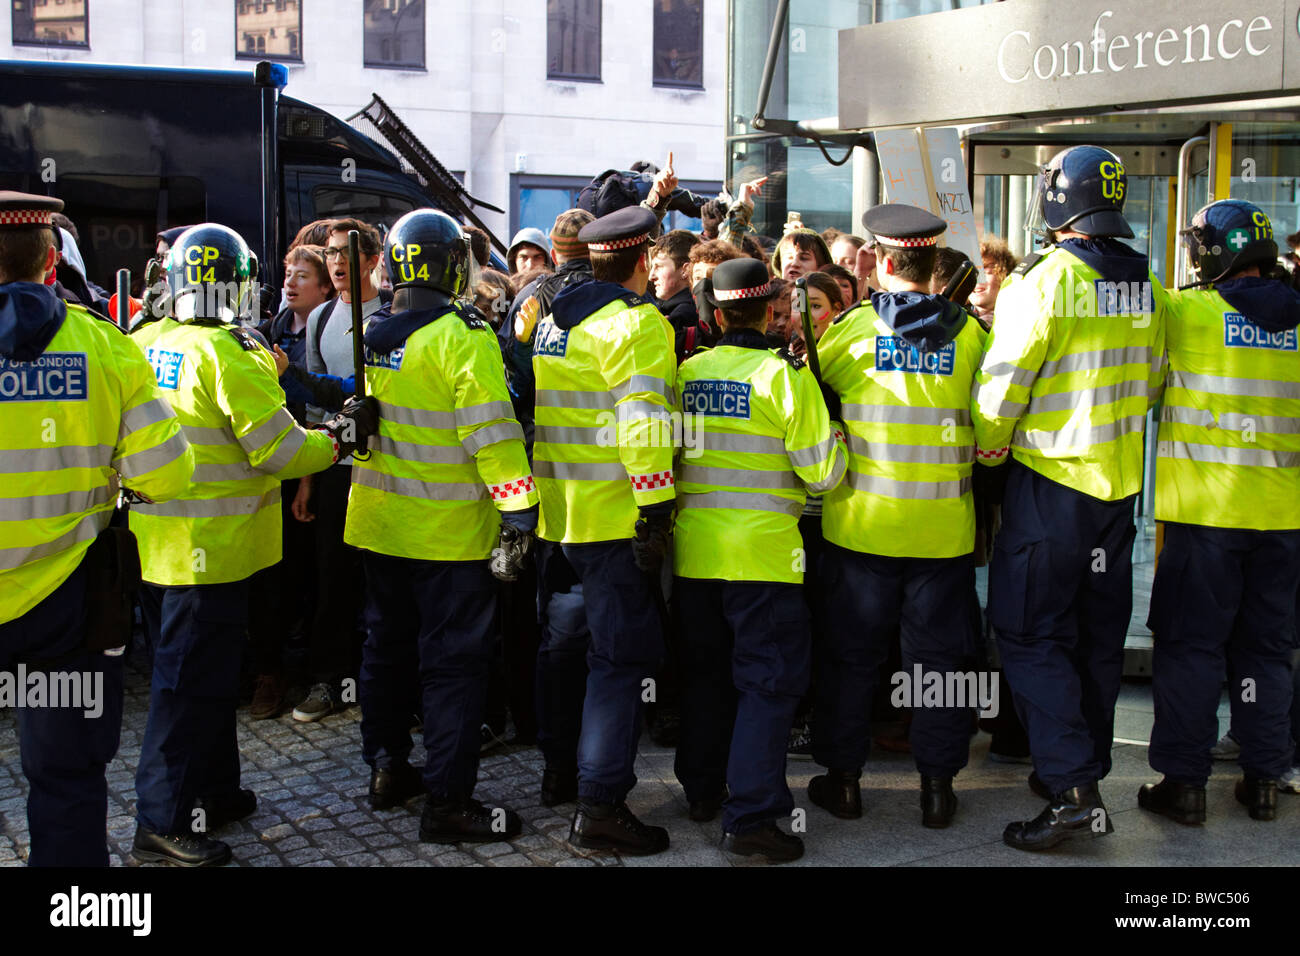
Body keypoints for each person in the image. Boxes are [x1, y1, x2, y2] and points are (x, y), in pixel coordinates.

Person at [128, 223, 376, 866]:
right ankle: (161, 822)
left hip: (158, 542)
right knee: (185, 687)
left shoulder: (146, 341)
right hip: (217, 545)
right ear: (237, 285)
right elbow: (279, 447)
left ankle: (214, 790)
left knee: (204, 678)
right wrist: (340, 438)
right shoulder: (231, 353)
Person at [973, 145, 1168, 851]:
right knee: (1095, 639)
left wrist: (989, 458)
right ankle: (1082, 768)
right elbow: (1150, 382)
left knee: (1028, 633)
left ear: (1054, 201)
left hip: (1051, 488)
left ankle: (1073, 791)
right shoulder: (1145, 281)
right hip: (1116, 496)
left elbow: (1001, 390)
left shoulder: (1045, 280)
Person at [0, 192, 194, 867]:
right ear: (51, 260)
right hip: (66, 613)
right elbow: (169, 475)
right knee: (66, 779)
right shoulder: (104, 346)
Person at [344, 208, 537, 842]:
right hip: (449, 538)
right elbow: (494, 437)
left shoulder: (371, 332)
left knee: (385, 653)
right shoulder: (463, 335)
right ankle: (449, 803)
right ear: (457, 267)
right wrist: (519, 514)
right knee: (453, 668)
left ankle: (387, 769)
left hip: (379, 528)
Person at [810, 204, 987, 829]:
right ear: (935, 265)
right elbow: (990, 425)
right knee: (941, 667)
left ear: (883, 262)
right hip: (943, 533)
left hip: (862, 529)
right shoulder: (969, 335)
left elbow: (814, 395)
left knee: (852, 659)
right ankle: (937, 789)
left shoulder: (854, 332)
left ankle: (845, 783)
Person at [673, 257, 846, 862]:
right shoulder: (785, 377)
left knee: (705, 679)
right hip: (766, 562)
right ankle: (751, 817)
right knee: (767, 687)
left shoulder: (686, 372)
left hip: (694, 554)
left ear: (715, 314)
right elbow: (822, 474)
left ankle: (701, 790)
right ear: (771, 309)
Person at [1140, 199, 1300, 825]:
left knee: (1191, 649)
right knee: (1266, 650)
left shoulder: (1189, 313)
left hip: (1204, 518)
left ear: (1212, 253)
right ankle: (1263, 778)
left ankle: (1184, 784)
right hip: (1284, 521)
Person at [531, 205, 677, 855]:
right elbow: (642, 423)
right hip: (616, 517)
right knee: (618, 664)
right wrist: (656, 512)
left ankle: (560, 771)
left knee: (565, 655)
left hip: (562, 515)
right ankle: (600, 808)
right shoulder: (636, 324)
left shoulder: (552, 324)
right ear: (645, 260)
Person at [290, 218, 389, 724]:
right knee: (331, 577)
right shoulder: (321, 317)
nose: (335, 262)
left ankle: (385, 683)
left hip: (383, 467)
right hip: (334, 464)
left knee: (381, 579)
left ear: (372, 259)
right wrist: (308, 475)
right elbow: (312, 408)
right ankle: (331, 679)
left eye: (346, 254)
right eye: (329, 254)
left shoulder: (392, 316)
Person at [246, 244, 335, 720]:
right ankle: (268, 672)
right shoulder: (264, 334)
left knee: (306, 578)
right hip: (268, 475)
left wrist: (306, 480)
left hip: (306, 466)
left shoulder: (318, 334)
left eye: (303, 276)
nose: (290, 282)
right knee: (269, 583)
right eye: (287, 273)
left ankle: (305, 671)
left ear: (323, 288)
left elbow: (314, 410)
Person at [969, 235, 1018, 329]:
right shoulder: (954, 320)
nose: (978, 280)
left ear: (1003, 276)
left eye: (986, 273)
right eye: (971, 273)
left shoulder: (1018, 319)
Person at [772, 214, 832, 282]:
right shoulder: (770, 291)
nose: (794, 263)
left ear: (820, 267)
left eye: (804, 258)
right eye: (789, 257)